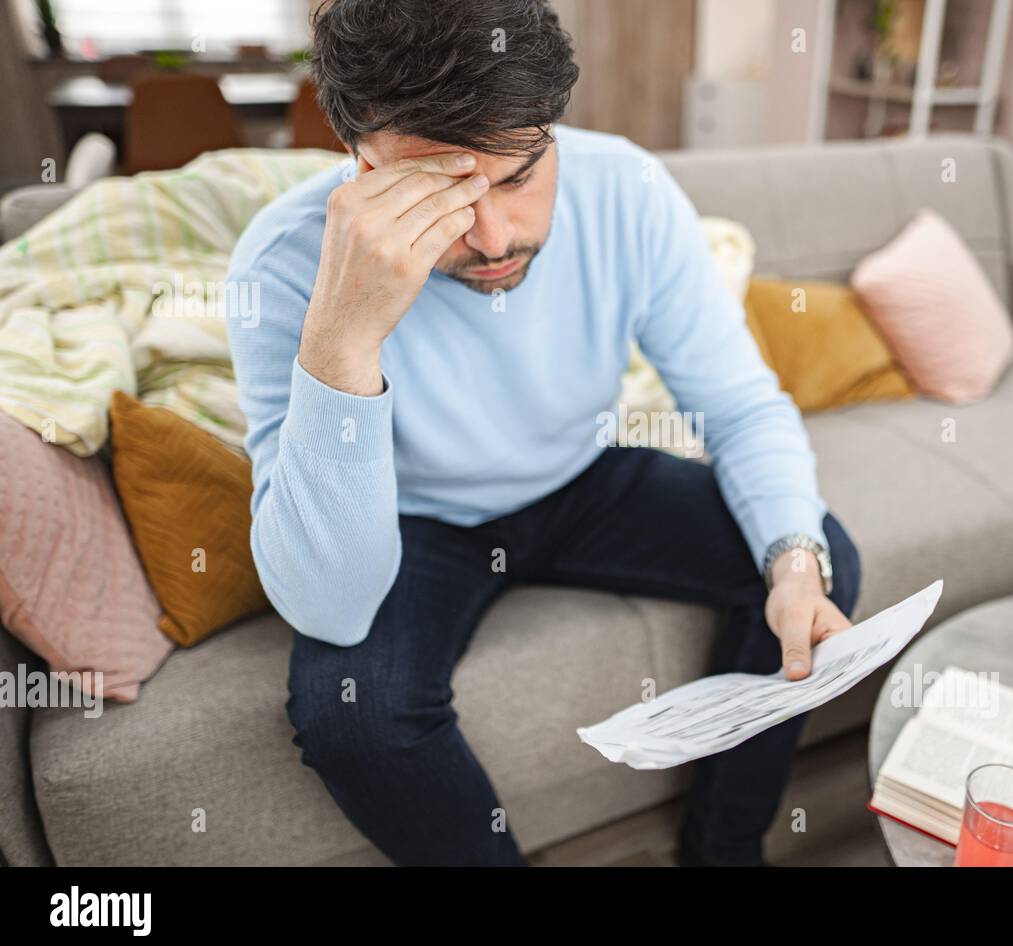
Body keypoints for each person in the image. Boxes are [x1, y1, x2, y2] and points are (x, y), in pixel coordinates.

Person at [225, 0, 861, 866]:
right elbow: (331, 609)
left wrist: (792, 560)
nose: (492, 238)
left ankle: (721, 852)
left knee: (814, 556)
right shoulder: (283, 263)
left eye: (517, 176)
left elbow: (740, 405)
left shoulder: (626, 188)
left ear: (553, 127)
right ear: (356, 160)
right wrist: (343, 337)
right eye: (437, 194)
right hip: (412, 522)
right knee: (353, 713)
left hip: (581, 475)